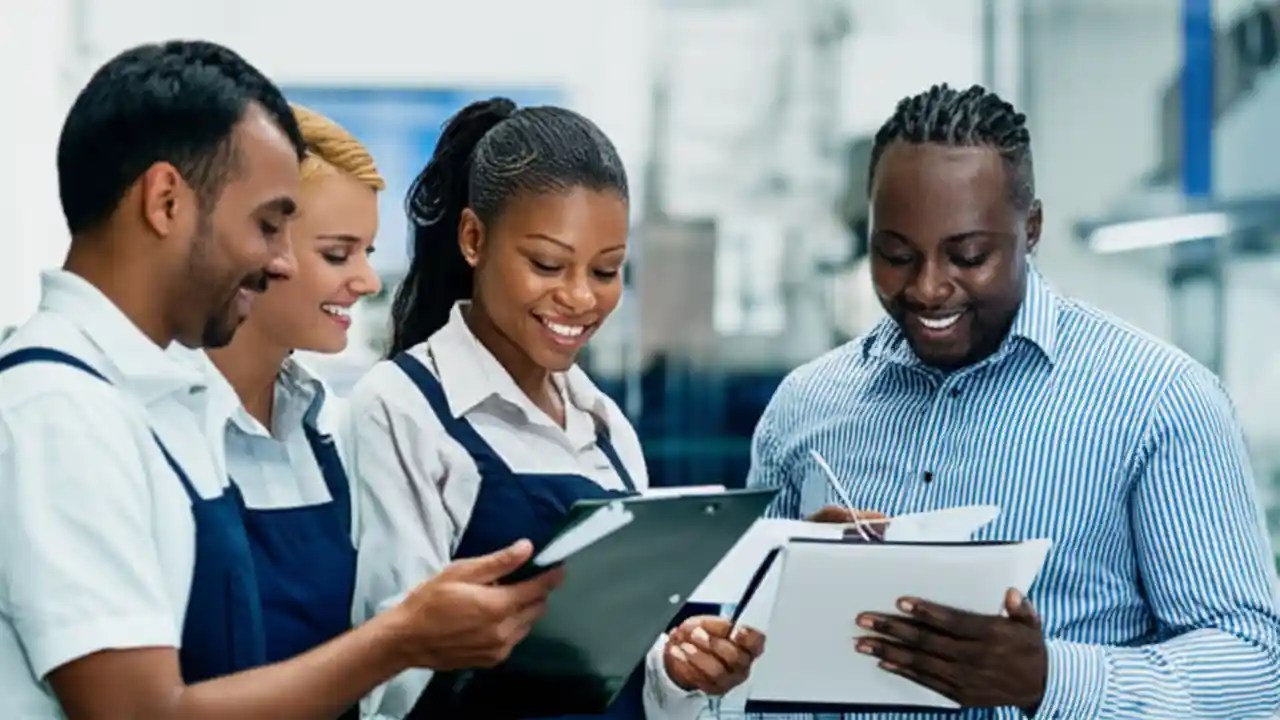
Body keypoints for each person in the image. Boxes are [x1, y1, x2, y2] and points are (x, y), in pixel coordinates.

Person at [0, 41, 560, 720]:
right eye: (267, 225)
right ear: (166, 202)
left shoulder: (159, 398)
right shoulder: (57, 409)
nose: (275, 260)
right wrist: (400, 639)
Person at [747, 83, 1280, 720]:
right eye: (894, 255)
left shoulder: (1161, 403)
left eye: (968, 256)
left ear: (1031, 230)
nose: (927, 288)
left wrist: (1050, 678)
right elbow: (745, 657)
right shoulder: (805, 407)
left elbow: (1256, 670)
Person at [347, 98, 765, 719]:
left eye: (606, 271)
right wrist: (513, 646)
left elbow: (623, 680)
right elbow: (385, 684)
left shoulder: (607, 429)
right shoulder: (399, 409)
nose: (578, 297)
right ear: (472, 238)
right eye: (547, 264)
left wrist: (674, 668)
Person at [199, 104, 381, 683]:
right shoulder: (157, 422)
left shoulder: (331, 430)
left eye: (367, 253)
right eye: (337, 254)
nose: (368, 281)